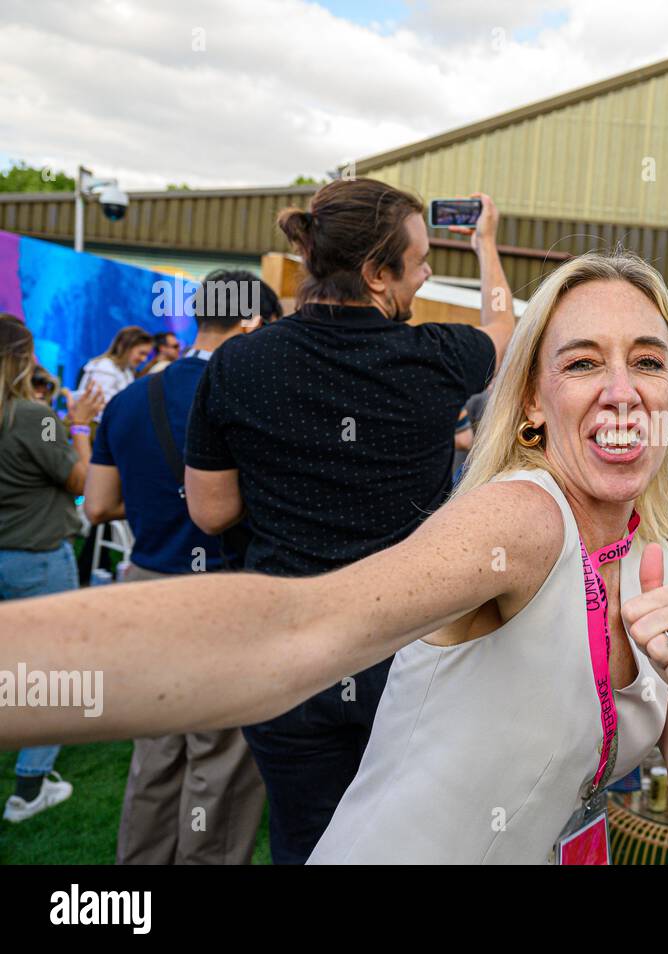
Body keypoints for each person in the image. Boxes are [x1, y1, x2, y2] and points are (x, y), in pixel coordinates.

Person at [0, 251, 668, 864]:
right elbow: (298, 630)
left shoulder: (663, 571)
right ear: (530, 402)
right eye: (584, 363)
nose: (623, 391)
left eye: (649, 362)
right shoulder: (525, 521)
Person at [182, 179, 516, 864]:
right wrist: (485, 244)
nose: (426, 276)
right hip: (403, 654)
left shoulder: (241, 362)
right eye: (421, 262)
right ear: (376, 273)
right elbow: (507, 331)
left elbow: (211, 511)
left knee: (304, 838)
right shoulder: (435, 356)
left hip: (285, 655)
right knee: (407, 841)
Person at [83, 273, 267, 864]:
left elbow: (97, 506)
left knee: (156, 749)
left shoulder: (130, 397)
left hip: (147, 585)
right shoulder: (254, 392)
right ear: (254, 322)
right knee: (220, 758)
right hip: (224, 590)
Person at [0, 314, 103, 822]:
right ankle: (29, 789)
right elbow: (81, 481)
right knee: (57, 674)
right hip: (38, 558)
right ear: (22, 356)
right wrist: (79, 424)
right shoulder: (30, 415)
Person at [76, 326, 153, 411]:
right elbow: (98, 406)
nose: (144, 359)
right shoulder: (104, 367)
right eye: (141, 353)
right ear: (125, 347)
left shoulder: (126, 371)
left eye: (146, 355)